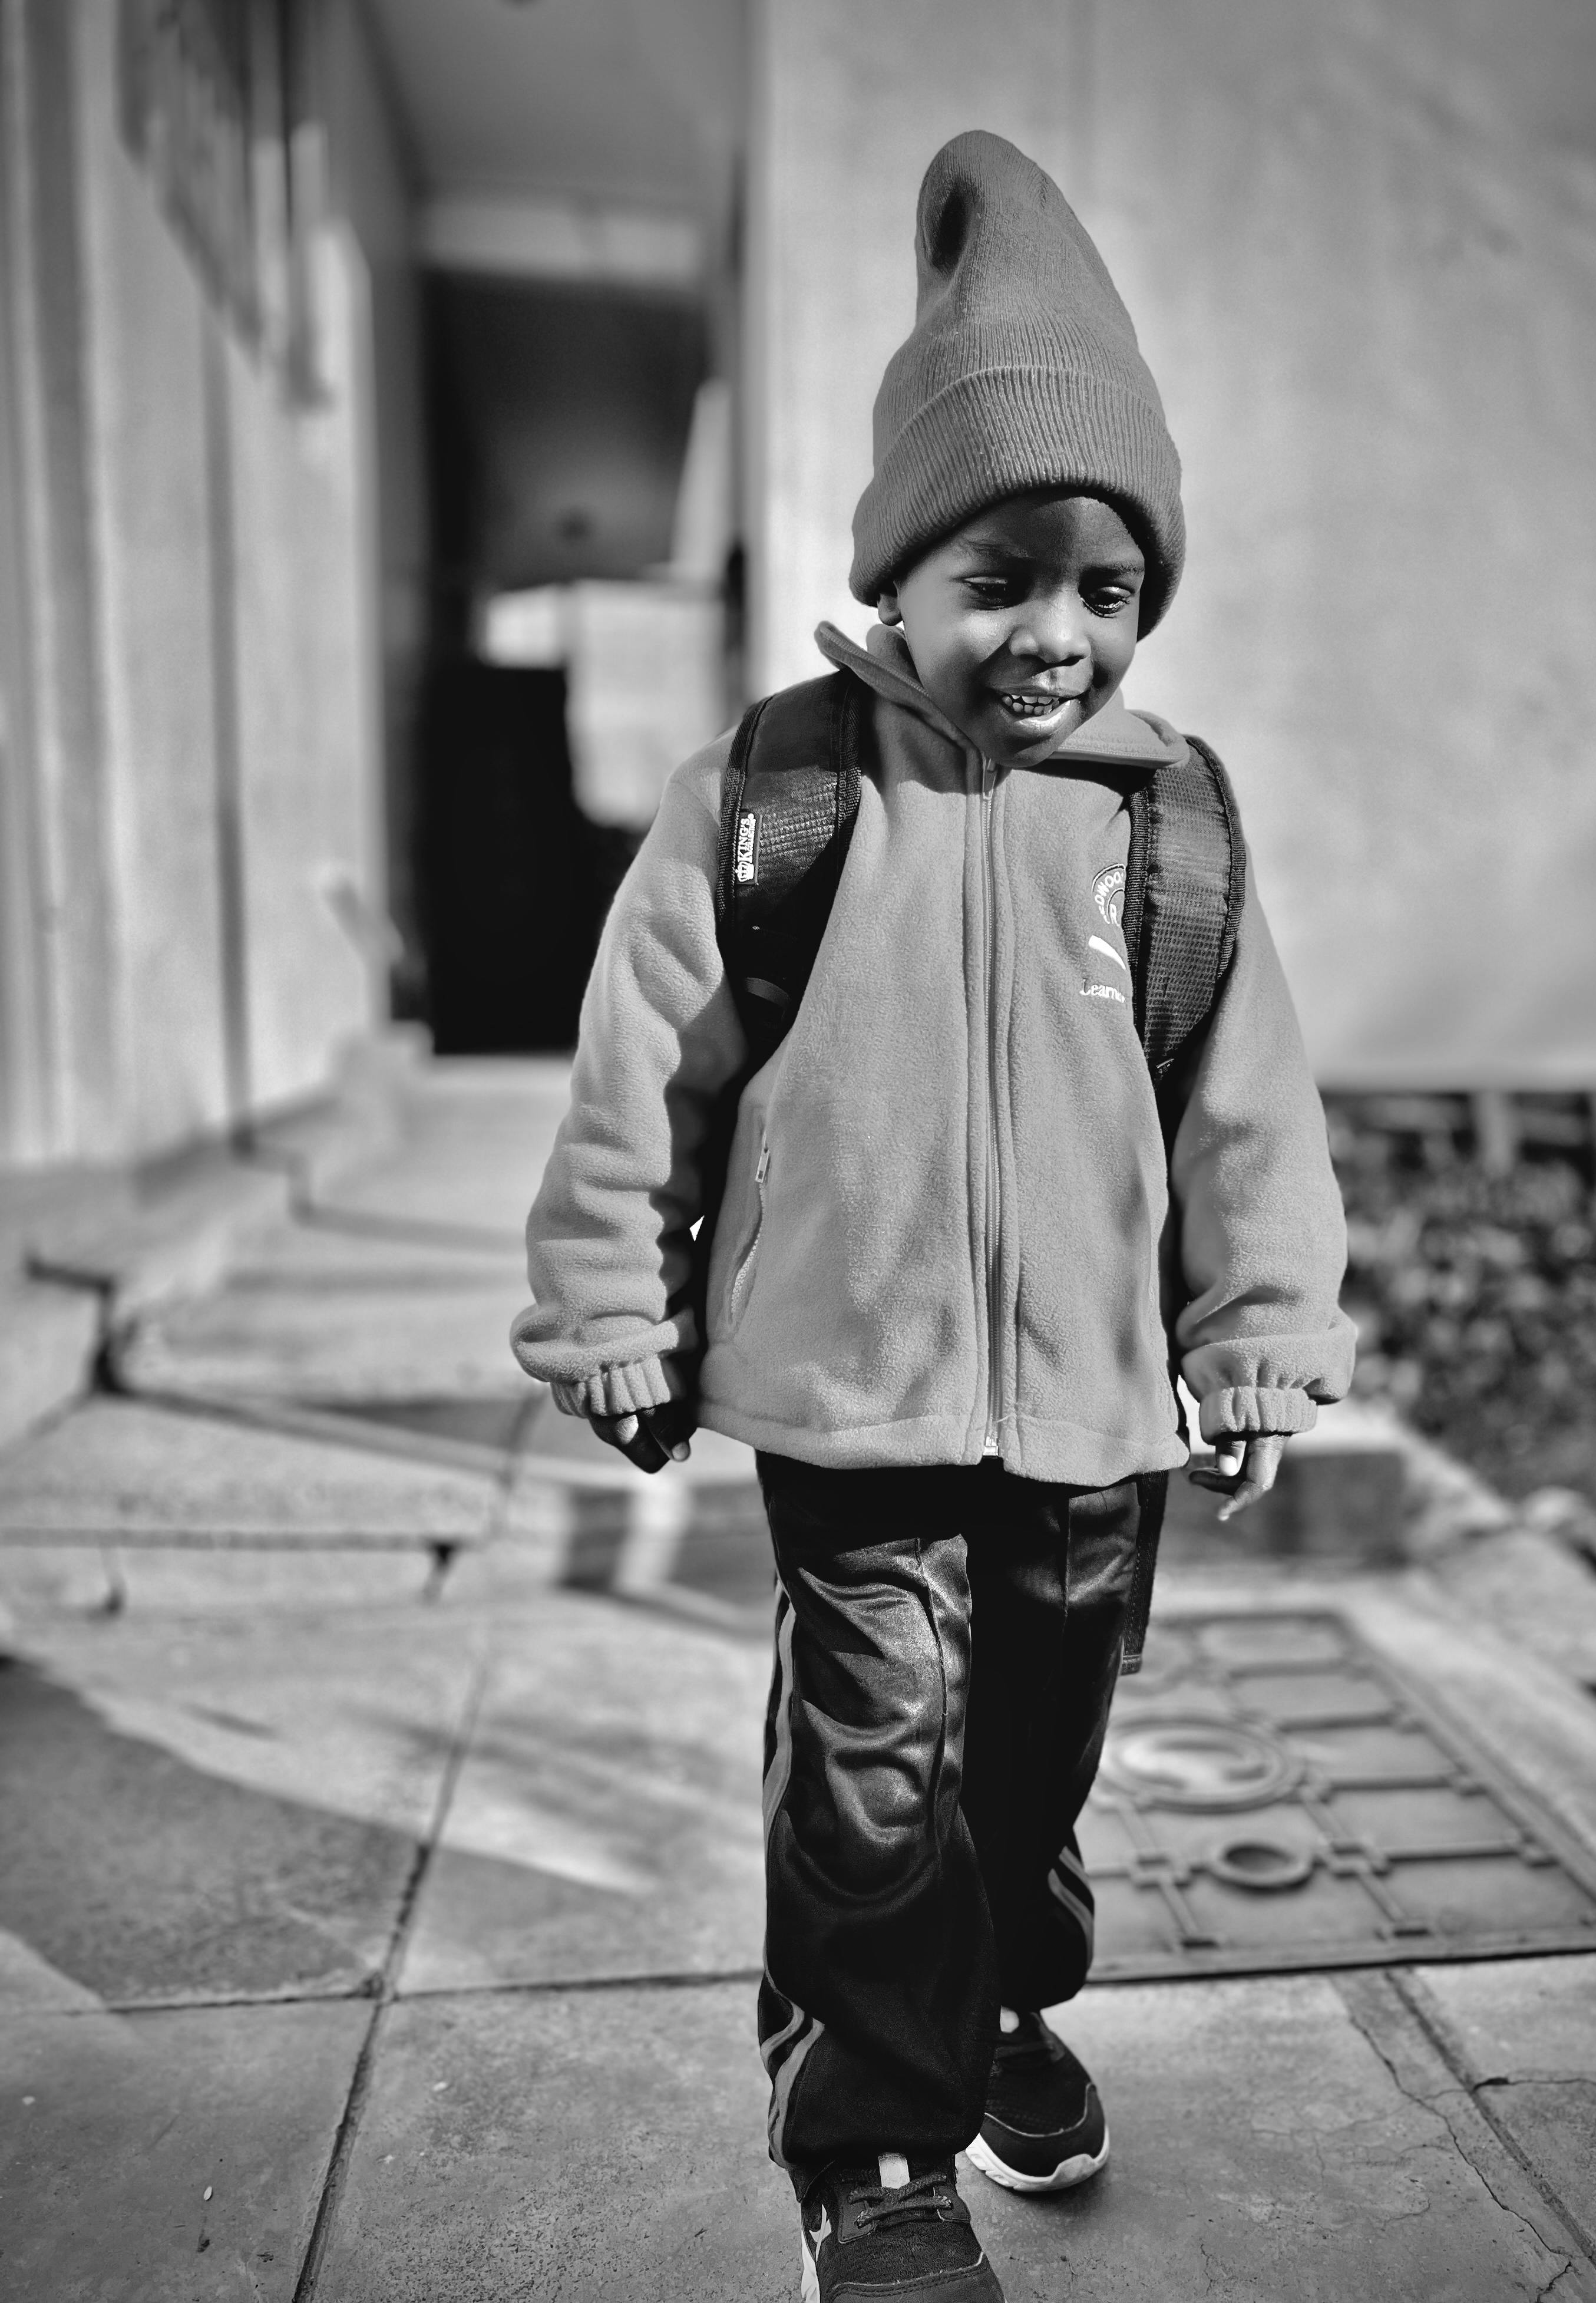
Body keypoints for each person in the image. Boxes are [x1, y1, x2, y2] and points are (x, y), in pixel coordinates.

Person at [513, 128, 1354, 2303]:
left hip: (1093, 1408)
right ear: (899, 575)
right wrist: (615, 1299)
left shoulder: (1170, 827)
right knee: (874, 1763)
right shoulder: (783, 787)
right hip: (853, 1394)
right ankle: (876, 2146)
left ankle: (1003, 2002)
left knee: (1037, 1761)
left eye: (1105, 586)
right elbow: (645, 1069)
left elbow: (1248, 1111)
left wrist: (1257, 1332)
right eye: (1001, 582)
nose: (1054, 634)